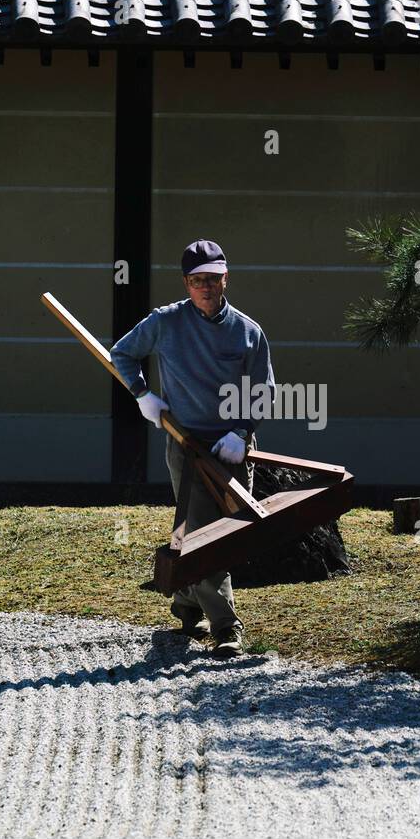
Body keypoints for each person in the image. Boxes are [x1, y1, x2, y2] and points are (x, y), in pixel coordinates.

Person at [109, 239, 275, 657]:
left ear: (225, 279)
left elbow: (263, 389)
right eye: (198, 280)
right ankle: (226, 628)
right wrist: (144, 396)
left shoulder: (247, 331)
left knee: (233, 529)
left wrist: (241, 432)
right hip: (187, 444)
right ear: (186, 283)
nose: (206, 287)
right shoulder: (165, 323)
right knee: (203, 534)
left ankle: (186, 601)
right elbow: (122, 355)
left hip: (234, 448)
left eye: (213, 279)